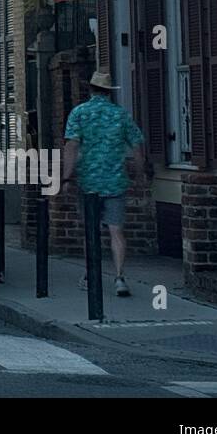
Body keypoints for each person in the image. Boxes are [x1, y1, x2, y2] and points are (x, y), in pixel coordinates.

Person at [60, 69, 148, 297]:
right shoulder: (120, 114)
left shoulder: (79, 113)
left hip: (88, 181)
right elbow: (137, 145)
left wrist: (67, 176)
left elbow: (71, 146)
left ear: (90, 89)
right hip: (115, 180)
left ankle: (91, 274)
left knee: (91, 231)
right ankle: (119, 277)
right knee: (116, 231)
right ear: (109, 92)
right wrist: (140, 175)